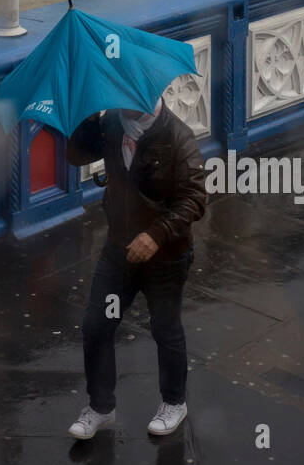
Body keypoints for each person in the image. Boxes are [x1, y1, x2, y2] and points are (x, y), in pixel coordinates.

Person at [65, 99, 208, 439]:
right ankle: (100, 407)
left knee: (165, 327)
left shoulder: (177, 137)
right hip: (119, 248)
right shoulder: (113, 121)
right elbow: (77, 156)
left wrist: (155, 235)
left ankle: (174, 402)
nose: (116, 98)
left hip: (165, 255)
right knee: (97, 324)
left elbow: (194, 198)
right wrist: (86, 120)